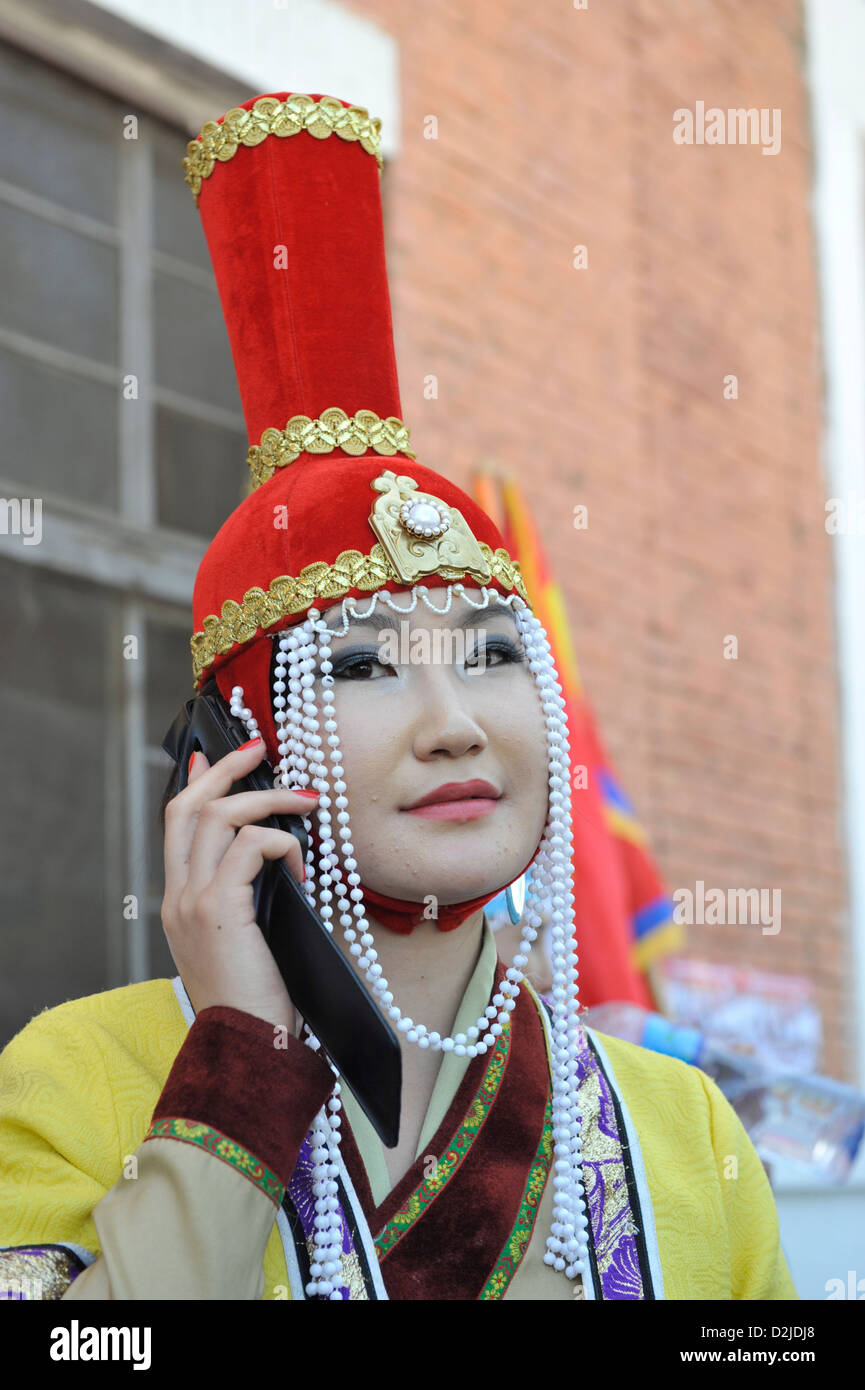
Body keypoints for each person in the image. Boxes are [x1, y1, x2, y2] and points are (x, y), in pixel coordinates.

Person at [0, 90, 796, 1301]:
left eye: (492, 653)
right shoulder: (80, 1077)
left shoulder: (683, 1128)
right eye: (365, 666)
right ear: (236, 754)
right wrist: (241, 1071)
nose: (456, 720)